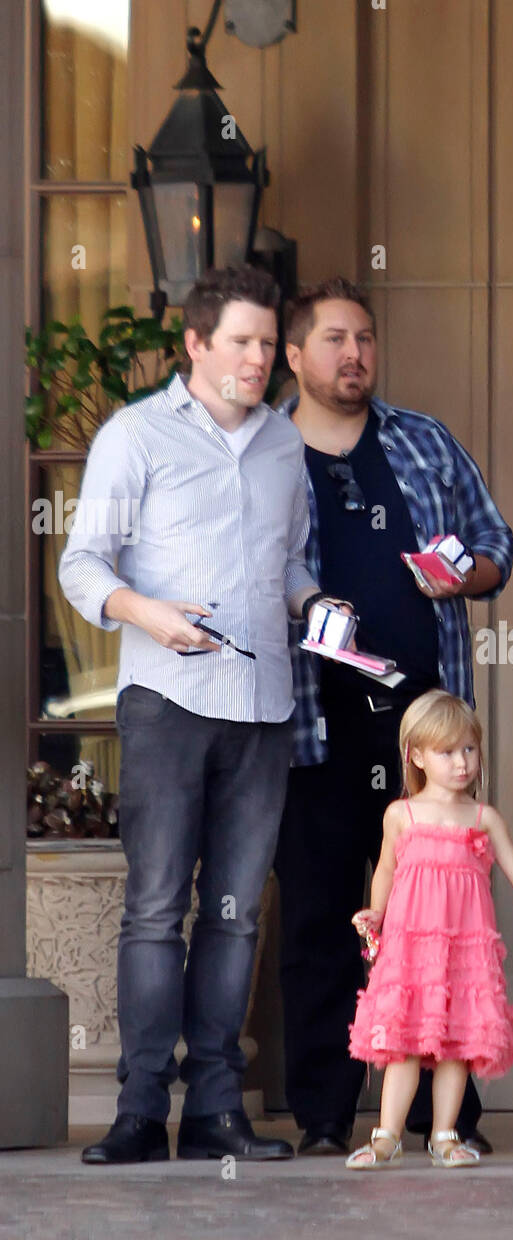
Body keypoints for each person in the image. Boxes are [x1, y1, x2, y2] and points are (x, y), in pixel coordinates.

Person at [59, 265, 319, 1164]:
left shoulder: (284, 446)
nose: (259, 358)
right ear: (196, 345)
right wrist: (150, 613)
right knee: (157, 907)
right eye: (242, 342)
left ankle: (216, 1110)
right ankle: (138, 1113)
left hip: (262, 704)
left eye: (266, 342)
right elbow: (83, 565)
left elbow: (288, 567)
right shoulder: (135, 437)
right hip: (166, 702)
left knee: (238, 913)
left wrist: (317, 605)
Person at [274, 278, 513, 1156]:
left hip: (424, 732)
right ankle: (324, 1115)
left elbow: (496, 546)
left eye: (366, 338)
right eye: (334, 338)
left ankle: (441, 1117)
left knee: (443, 917)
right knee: (319, 914)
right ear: (295, 355)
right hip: (311, 721)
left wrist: (467, 576)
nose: (354, 354)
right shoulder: (262, 450)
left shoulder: (423, 440)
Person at [345, 691, 513, 1168]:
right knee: (403, 1044)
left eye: (469, 749)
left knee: (456, 1047)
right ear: (417, 756)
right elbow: (385, 869)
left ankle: (445, 1134)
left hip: (464, 953)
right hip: (412, 950)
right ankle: (386, 1135)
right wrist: (376, 912)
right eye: (447, 752)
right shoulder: (400, 816)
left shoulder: (483, 818)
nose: (461, 762)